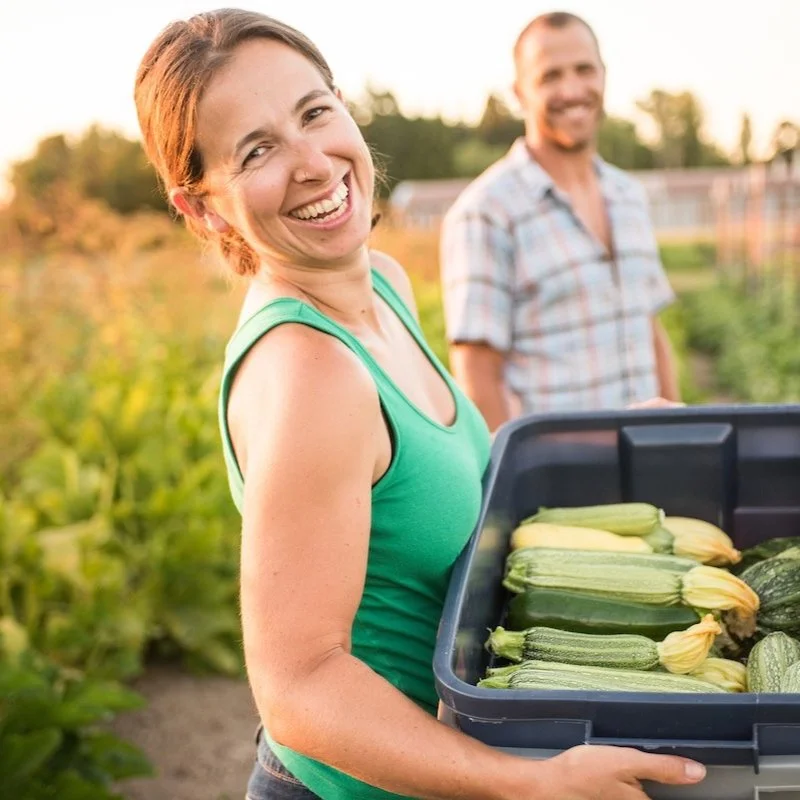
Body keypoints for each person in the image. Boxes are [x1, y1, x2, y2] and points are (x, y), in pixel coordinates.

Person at [134, 9, 706, 799]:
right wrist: (526, 783)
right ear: (200, 205)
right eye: (257, 150)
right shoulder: (310, 372)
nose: (311, 162)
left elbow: (451, 483)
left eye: (314, 112)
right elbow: (298, 688)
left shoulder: (386, 288)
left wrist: (595, 447)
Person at [440, 12, 681, 432]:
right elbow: (476, 368)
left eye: (584, 70)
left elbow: (651, 330)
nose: (572, 90)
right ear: (520, 92)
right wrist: (511, 483)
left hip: (648, 464)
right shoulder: (487, 211)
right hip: (558, 483)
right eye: (550, 76)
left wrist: (683, 442)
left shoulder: (629, 196)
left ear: (603, 75)